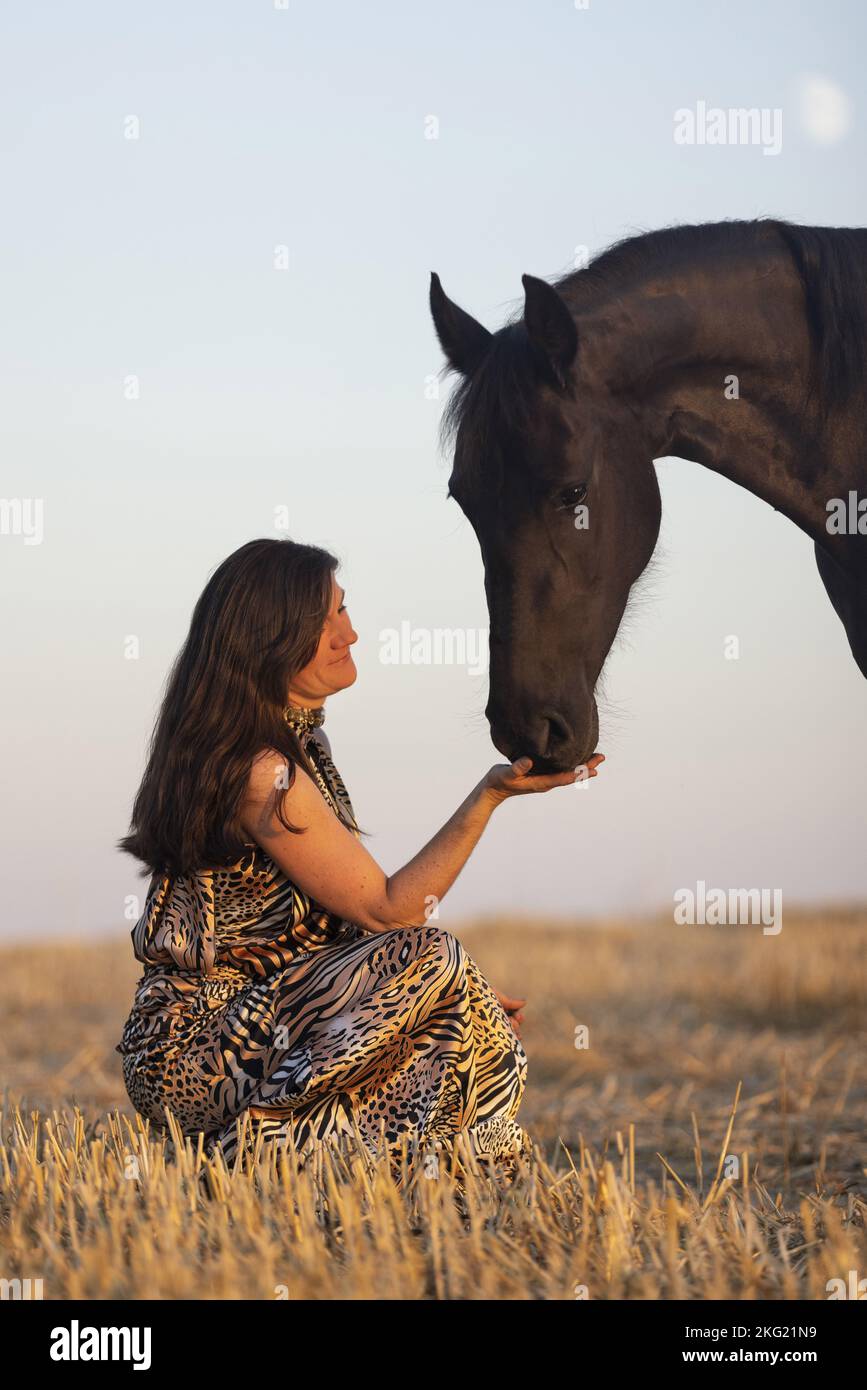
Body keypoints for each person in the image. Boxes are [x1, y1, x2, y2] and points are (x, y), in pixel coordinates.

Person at [115, 537, 604, 1178]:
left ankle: (421, 1176)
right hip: (198, 1046)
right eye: (326, 621)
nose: (349, 633)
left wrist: (461, 996)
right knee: (435, 955)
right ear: (270, 637)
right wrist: (489, 797)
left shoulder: (290, 748)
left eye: (344, 610)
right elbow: (385, 911)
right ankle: (246, 1161)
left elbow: (342, 931)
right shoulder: (258, 770)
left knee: (462, 1018)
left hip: (267, 1021)